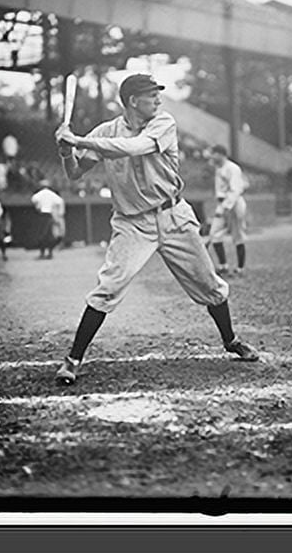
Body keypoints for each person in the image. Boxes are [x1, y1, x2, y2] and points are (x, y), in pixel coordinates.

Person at [52, 73, 259, 385]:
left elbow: (134, 147)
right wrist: (66, 150)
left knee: (210, 286)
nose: (158, 100)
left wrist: (79, 140)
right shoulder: (106, 131)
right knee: (108, 287)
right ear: (134, 101)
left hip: (174, 216)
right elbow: (74, 175)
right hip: (132, 223)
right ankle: (73, 360)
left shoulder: (163, 123)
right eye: (152, 96)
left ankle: (230, 340)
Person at [207, 144, 249, 276]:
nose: (212, 156)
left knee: (237, 235)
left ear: (221, 154)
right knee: (214, 234)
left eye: (214, 153)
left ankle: (240, 268)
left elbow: (236, 189)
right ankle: (223, 265)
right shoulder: (218, 167)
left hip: (234, 203)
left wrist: (226, 206)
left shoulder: (233, 168)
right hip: (222, 202)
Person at [30, 179, 66, 259]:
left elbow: (33, 199)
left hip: (42, 215)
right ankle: (50, 253)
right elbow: (60, 201)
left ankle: (42, 253)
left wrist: (38, 206)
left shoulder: (39, 194)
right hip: (49, 215)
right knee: (49, 235)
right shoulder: (52, 194)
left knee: (42, 234)